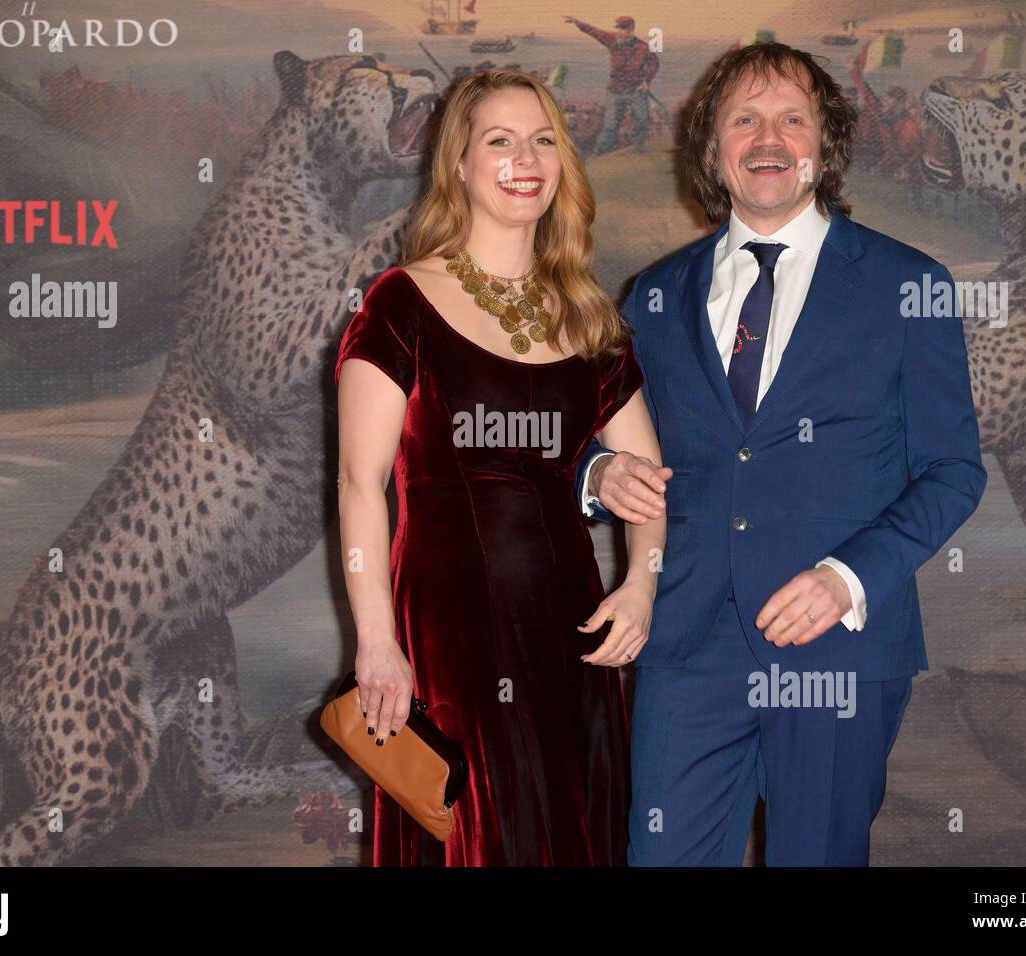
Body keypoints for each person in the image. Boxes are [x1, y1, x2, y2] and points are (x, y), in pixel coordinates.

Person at [574, 42, 986, 865]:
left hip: (837, 645)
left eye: (793, 119)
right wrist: (598, 471)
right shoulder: (653, 297)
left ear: (823, 145)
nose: (769, 139)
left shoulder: (911, 283)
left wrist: (846, 577)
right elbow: (605, 435)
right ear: (713, 148)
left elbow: (953, 472)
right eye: (746, 119)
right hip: (686, 648)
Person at [335, 68, 665, 866]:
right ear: (458, 165)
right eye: (501, 140)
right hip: (449, 623)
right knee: (473, 830)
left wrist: (642, 584)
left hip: (571, 623)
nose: (527, 158)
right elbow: (358, 484)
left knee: (566, 822)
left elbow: (650, 476)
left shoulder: (588, 316)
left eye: (544, 139)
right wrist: (377, 640)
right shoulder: (402, 301)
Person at [564, 15, 659, 155]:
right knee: (610, 126)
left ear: (631, 30)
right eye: (618, 28)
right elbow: (594, 31)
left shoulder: (643, 47)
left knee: (642, 121)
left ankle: (638, 146)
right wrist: (578, 23)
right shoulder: (612, 40)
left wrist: (647, 81)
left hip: (636, 91)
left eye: (623, 29)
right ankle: (599, 153)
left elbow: (654, 63)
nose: (619, 32)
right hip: (615, 91)